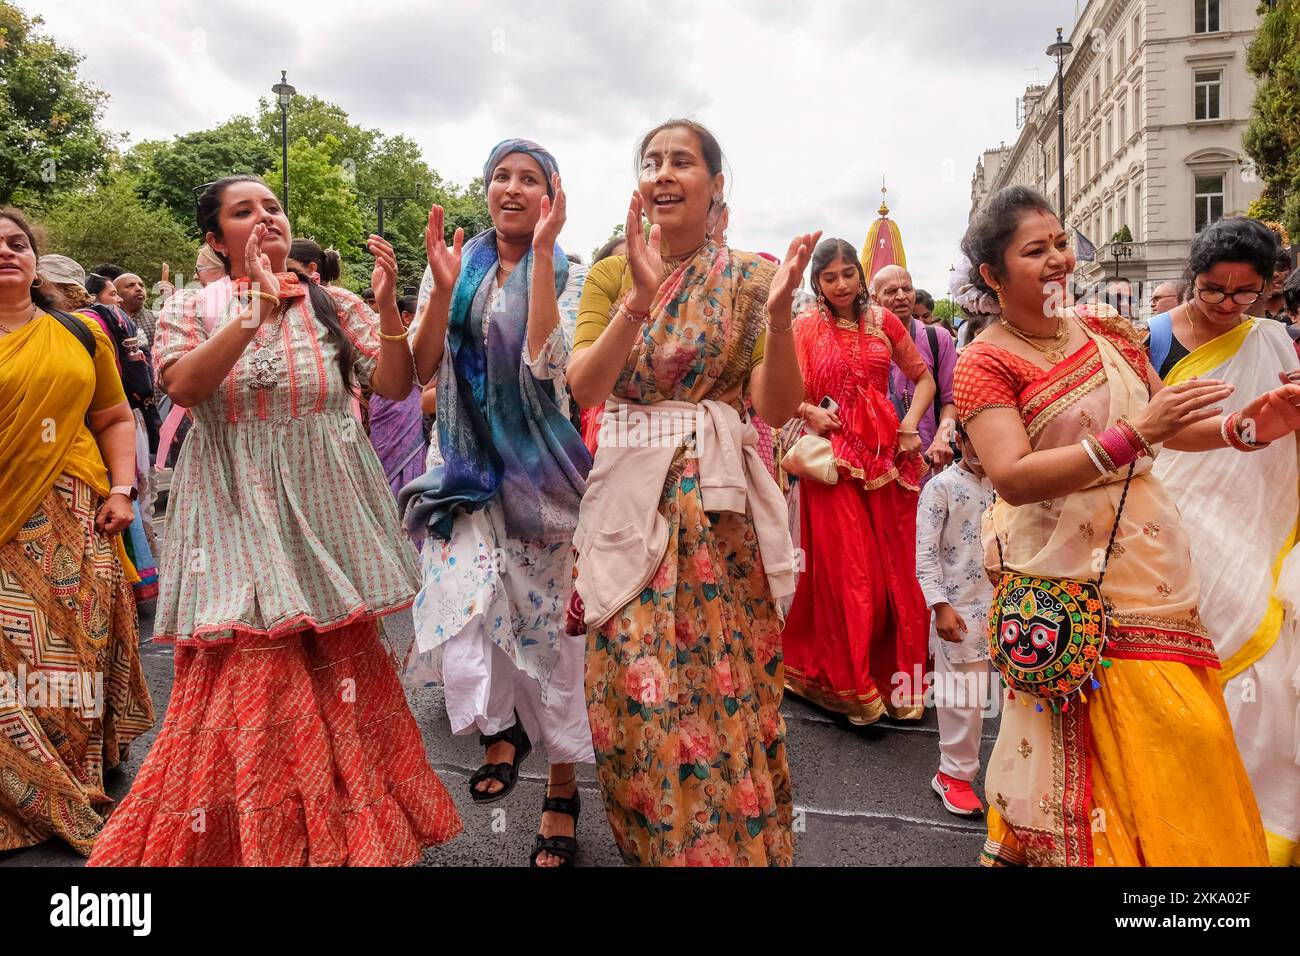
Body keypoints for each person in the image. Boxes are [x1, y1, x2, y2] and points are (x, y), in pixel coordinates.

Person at [86, 175, 461, 867]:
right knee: (256, 663)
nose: (264, 218)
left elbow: (399, 383)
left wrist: (421, 298)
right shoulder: (190, 307)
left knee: (329, 664)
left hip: (325, 506)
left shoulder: (334, 302)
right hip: (233, 505)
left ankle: (341, 831)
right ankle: (243, 837)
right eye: (242, 211)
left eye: (273, 207)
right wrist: (251, 312)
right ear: (213, 238)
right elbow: (185, 388)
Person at [955, 184, 1292, 867]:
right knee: (1106, 753)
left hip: (1151, 570)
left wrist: (1244, 428)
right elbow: (1012, 475)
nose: (1057, 261)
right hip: (1062, 580)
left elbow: (1169, 422)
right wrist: (1133, 436)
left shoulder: (1106, 326)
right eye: (1034, 251)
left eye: (1059, 244)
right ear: (993, 276)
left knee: (1186, 736)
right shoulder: (985, 361)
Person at [568, 118, 812, 866]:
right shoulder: (611, 273)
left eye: (682, 161)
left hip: (720, 509)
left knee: (727, 689)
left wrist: (778, 317)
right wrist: (639, 297)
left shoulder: (748, 279)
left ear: (715, 186)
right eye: (651, 161)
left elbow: (772, 409)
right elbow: (585, 385)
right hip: (629, 501)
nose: (664, 172)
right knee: (632, 695)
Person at [401, 140, 592, 868]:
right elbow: (419, 369)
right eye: (500, 177)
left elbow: (550, 367)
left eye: (529, 178)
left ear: (552, 194)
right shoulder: (454, 263)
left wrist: (541, 258)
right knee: (467, 607)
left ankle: (562, 790)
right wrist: (438, 291)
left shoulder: (573, 272)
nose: (511, 189)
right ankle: (502, 729)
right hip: (459, 469)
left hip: (541, 478)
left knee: (550, 636)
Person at [1146, 217, 1300, 866]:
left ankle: (1248, 833)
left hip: (1251, 530)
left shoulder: (1272, 339)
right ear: (1193, 279)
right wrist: (1239, 429)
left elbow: (1285, 435)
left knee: (1261, 681)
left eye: (1247, 293)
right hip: (1171, 531)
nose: (1230, 307)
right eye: (1214, 291)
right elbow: (1144, 434)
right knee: (1175, 683)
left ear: (1271, 287)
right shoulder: (1150, 340)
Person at [0, 208, 155, 855]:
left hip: (77, 515)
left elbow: (115, 416)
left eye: (17, 243)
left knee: (73, 654)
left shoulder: (77, 332)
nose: (7, 253)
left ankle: (69, 771)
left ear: (36, 258)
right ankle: (28, 789)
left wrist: (122, 490)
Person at [781, 238, 936, 725]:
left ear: (860, 274)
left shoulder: (884, 323)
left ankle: (892, 680)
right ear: (817, 283)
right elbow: (772, 391)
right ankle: (849, 684)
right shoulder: (802, 327)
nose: (841, 284)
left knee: (894, 572)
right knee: (849, 572)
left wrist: (910, 425)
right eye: (830, 277)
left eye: (848, 273)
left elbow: (925, 378)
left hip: (885, 456)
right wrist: (806, 410)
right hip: (831, 461)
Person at [916, 422, 997, 816]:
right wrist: (939, 605)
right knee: (961, 697)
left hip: (1005, 605)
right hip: (959, 608)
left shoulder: (1007, 482)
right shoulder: (941, 487)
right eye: (974, 438)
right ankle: (954, 775)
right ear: (959, 440)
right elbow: (925, 552)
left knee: (1003, 698)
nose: (984, 447)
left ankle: (1009, 779)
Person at [875, 264, 958, 478]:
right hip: (878, 461)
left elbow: (951, 400)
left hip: (928, 461)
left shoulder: (937, 339)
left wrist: (943, 437)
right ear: (875, 299)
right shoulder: (866, 343)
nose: (901, 296)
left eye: (907, 289)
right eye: (891, 291)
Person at [367, 293, 428, 497]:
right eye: (420, 311)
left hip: (414, 410)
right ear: (406, 317)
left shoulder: (430, 338)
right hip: (388, 407)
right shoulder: (378, 337)